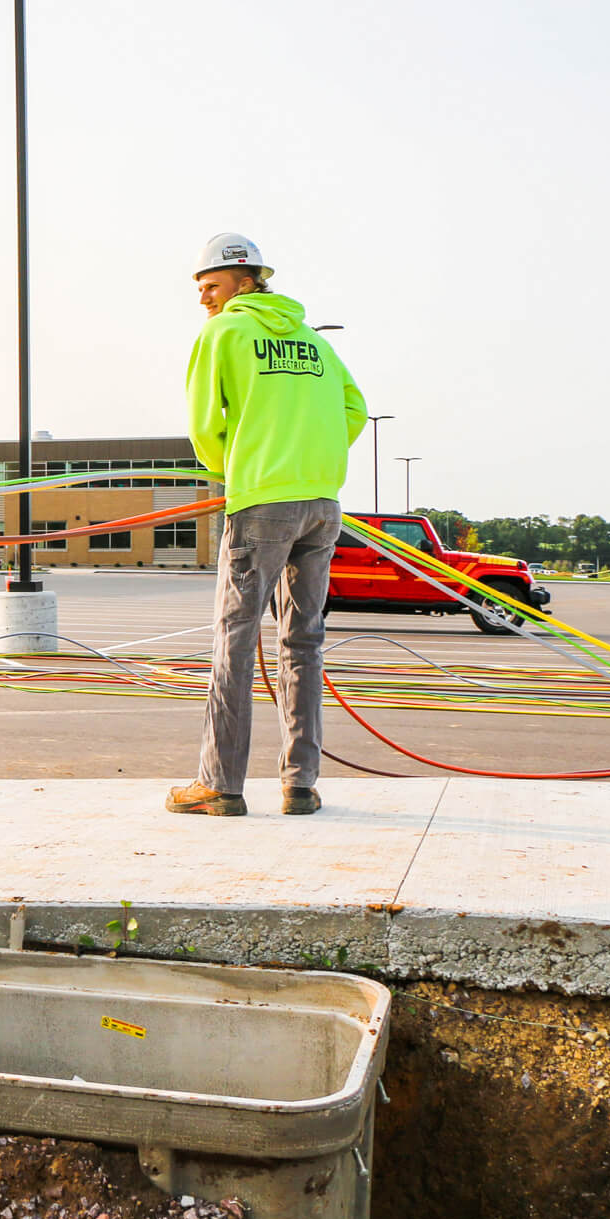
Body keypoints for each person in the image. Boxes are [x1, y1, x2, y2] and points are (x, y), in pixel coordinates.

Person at [166, 234, 367, 818]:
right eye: (200, 288)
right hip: (321, 505)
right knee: (303, 643)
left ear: (245, 281)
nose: (204, 297)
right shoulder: (313, 343)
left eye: (211, 285)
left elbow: (205, 427)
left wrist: (245, 463)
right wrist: (309, 454)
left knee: (235, 640)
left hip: (262, 504)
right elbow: (354, 409)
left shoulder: (222, 333)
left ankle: (220, 785)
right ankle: (299, 783)